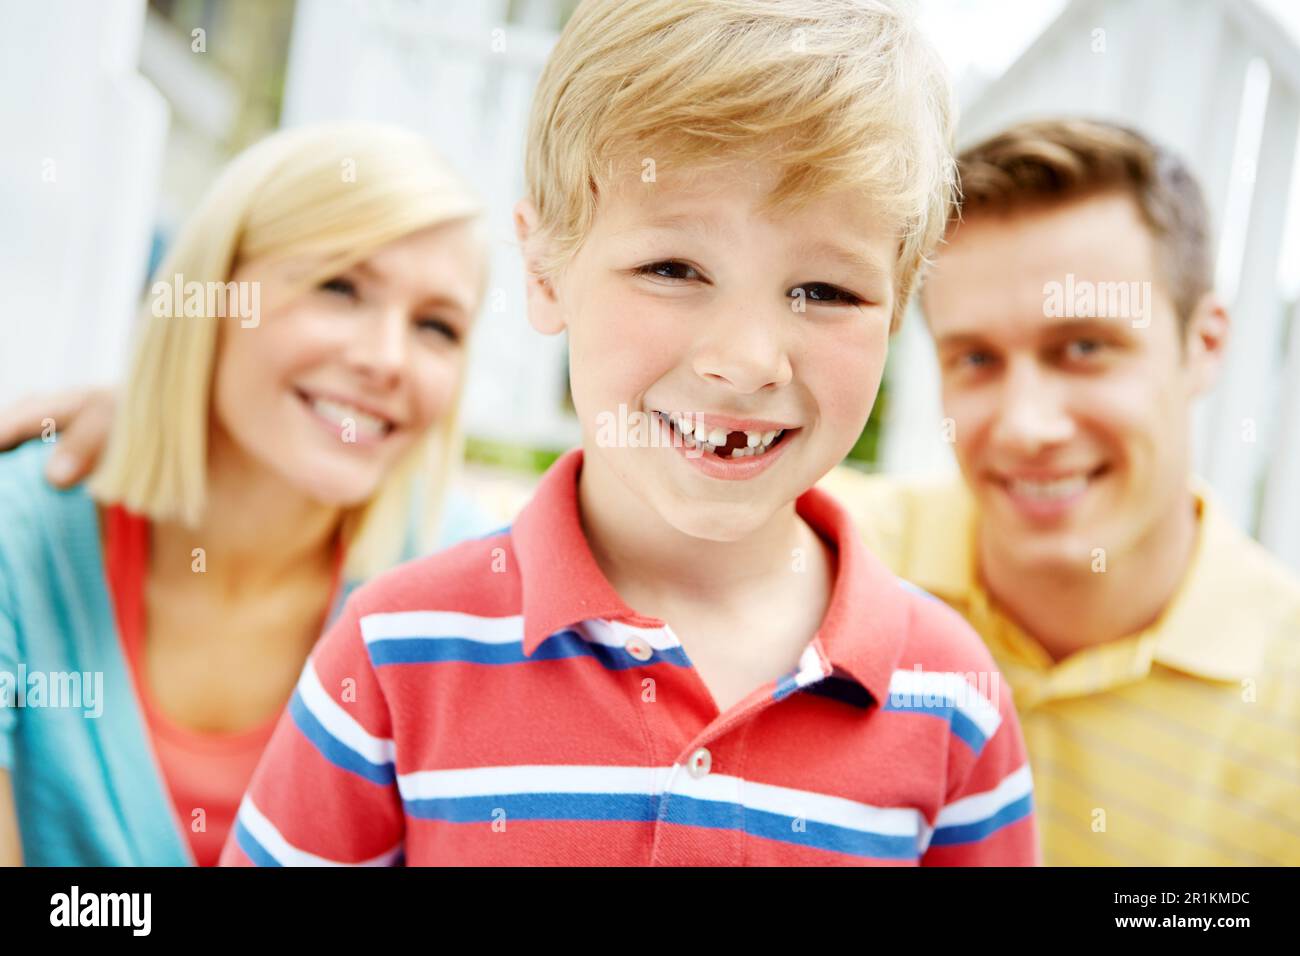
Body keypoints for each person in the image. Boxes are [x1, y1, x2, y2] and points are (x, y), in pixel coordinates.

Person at [221, 0, 1036, 867]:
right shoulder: (394, 653)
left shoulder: (957, 701)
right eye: (673, 269)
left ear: (898, 307)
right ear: (544, 270)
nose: (748, 360)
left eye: (826, 291)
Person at [0, 122, 491, 865]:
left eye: (436, 326)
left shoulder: (469, 595)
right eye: (339, 286)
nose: (387, 359)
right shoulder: (21, 536)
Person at [821, 119, 1300, 865]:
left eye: (1084, 349)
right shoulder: (818, 554)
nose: (1025, 426)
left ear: (1202, 345)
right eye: (976, 357)